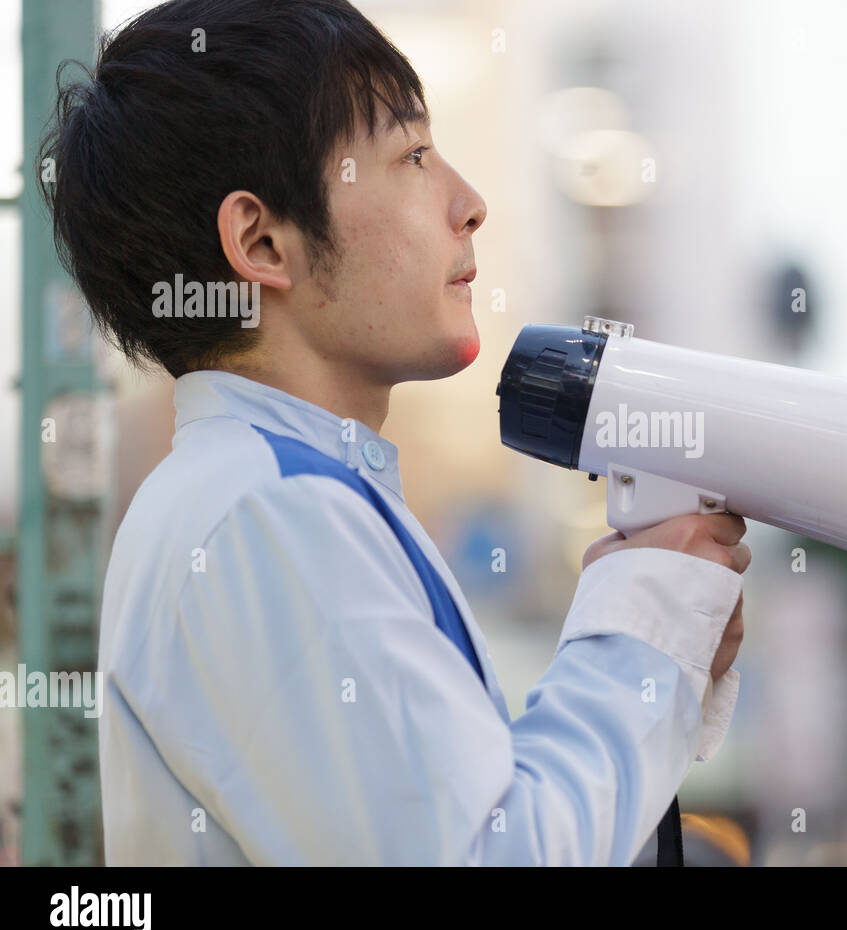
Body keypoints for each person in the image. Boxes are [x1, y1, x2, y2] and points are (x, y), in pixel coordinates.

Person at [38, 0, 749, 865]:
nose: (470, 203)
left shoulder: (266, 496)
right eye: (411, 155)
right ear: (261, 243)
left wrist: (657, 654)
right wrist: (646, 626)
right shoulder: (272, 516)